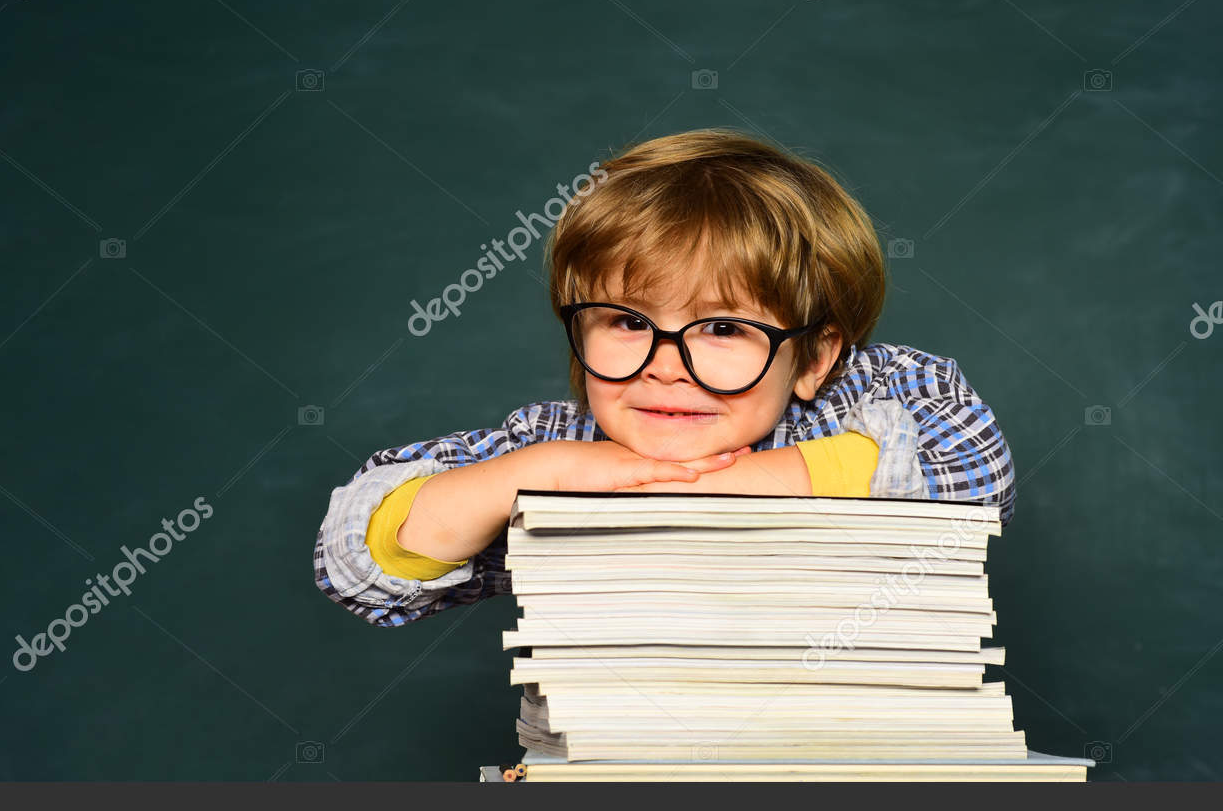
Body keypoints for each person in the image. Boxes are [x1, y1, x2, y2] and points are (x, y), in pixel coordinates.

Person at [314, 129, 1014, 627]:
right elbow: (358, 566)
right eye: (626, 322)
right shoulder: (557, 449)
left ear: (815, 359)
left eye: (723, 328)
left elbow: (974, 471)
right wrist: (541, 472)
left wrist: (694, 489)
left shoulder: (863, 402)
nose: (664, 366)